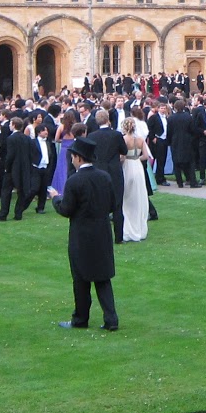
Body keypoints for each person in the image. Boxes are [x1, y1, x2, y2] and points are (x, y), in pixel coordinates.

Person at [52, 137, 119, 331]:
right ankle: (111, 319)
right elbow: (113, 204)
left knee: (81, 279)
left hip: (82, 235)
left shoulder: (75, 181)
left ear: (78, 158)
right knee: (102, 278)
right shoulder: (104, 177)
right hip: (102, 232)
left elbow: (66, 209)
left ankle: (80, 319)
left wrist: (56, 199)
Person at [119, 116, 153, 241]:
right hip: (137, 166)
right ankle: (139, 227)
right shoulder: (140, 140)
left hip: (127, 166)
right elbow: (145, 156)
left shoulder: (123, 139)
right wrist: (136, 159)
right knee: (138, 196)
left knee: (127, 197)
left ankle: (128, 228)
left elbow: (122, 157)